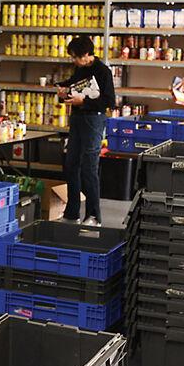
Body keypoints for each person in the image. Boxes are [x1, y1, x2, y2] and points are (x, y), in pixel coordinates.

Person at [55, 35, 115, 227]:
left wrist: (84, 102)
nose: (74, 60)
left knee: (89, 167)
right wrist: (63, 91)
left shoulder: (103, 72)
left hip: (93, 120)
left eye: (76, 57)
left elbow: (109, 101)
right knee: (71, 164)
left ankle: (94, 216)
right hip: (77, 119)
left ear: (87, 54)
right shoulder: (79, 69)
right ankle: (72, 213)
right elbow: (73, 85)